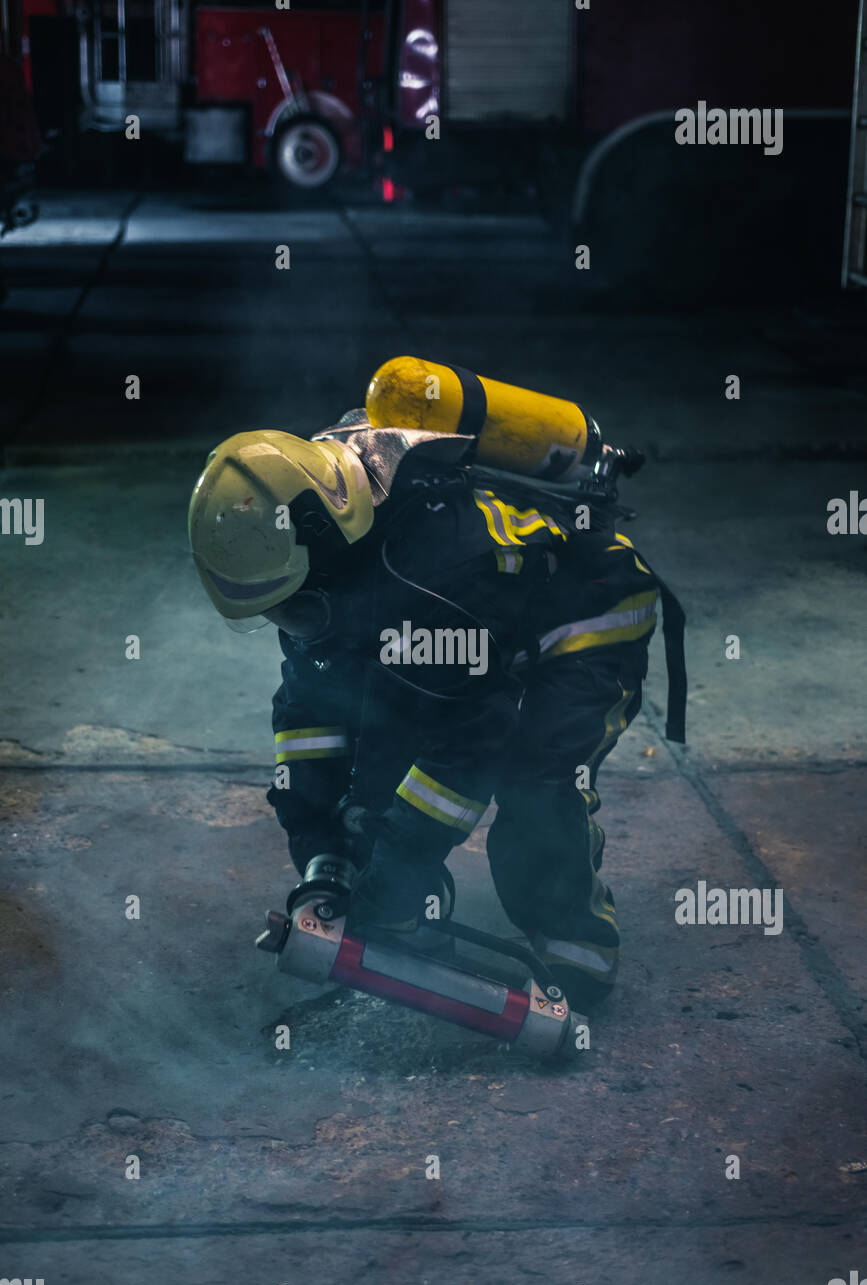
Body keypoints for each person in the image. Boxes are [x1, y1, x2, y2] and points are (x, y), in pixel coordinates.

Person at [188, 402, 685, 1013]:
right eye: (277, 613)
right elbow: (310, 709)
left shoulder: (434, 575)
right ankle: (409, 904)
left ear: (326, 558)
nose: (291, 627)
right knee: (381, 748)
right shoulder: (320, 540)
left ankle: (578, 950)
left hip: (587, 615)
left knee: (537, 783)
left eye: (290, 608)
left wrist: (400, 857)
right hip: (463, 627)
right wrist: (321, 839)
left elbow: (472, 744)